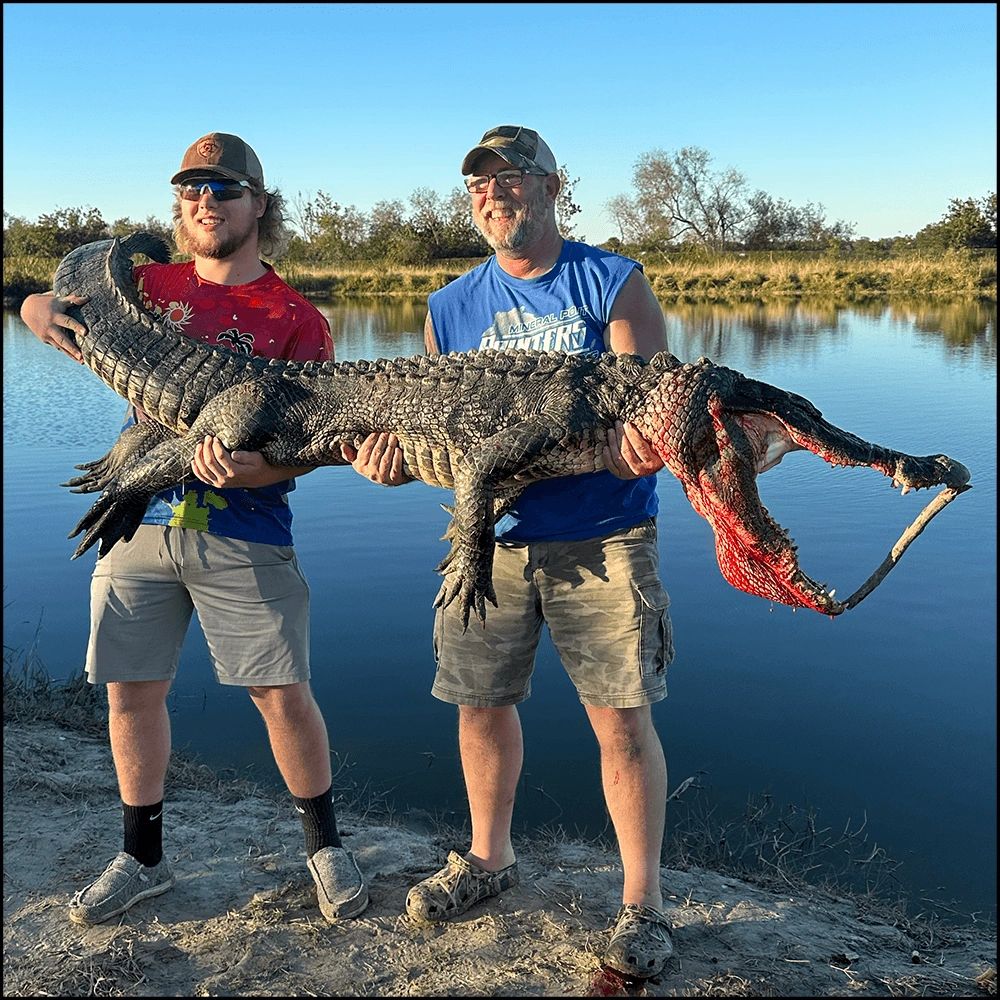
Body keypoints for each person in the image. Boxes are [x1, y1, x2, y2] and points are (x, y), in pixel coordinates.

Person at [20, 131, 374, 927]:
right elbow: (63, 304)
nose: (205, 201)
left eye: (223, 188)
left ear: (259, 203)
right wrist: (35, 307)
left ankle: (324, 846)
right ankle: (140, 858)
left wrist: (263, 469)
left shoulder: (297, 319)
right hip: (139, 514)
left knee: (280, 693)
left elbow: (316, 446)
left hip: (246, 528)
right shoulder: (146, 288)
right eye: (190, 188)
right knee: (129, 693)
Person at [350, 125, 677, 978]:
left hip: (603, 537)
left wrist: (639, 445)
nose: (493, 195)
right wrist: (396, 466)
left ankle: (642, 906)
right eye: (478, 186)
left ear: (552, 185)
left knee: (621, 719)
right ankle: (490, 860)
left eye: (511, 179)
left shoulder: (612, 282)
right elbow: (444, 447)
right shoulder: (450, 307)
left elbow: (648, 414)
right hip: (489, 539)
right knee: (479, 705)